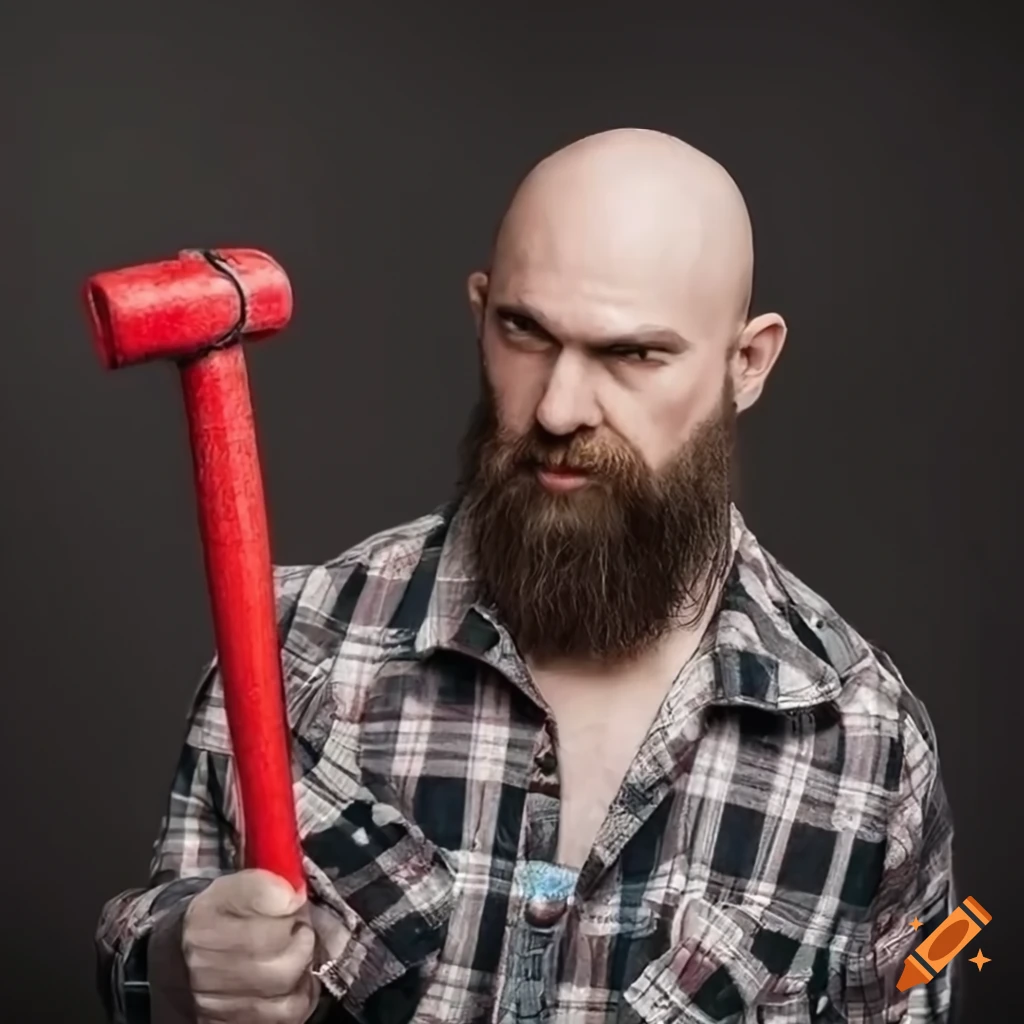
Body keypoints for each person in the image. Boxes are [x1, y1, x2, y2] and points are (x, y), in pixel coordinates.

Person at [96, 128, 957, 1024]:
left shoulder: (868, 746)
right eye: (525, 332)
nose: (557, 407)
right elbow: (159, 947)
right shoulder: (292, 650)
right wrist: (170, 962)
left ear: (747, 364)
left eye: (634, 355)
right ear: (480, 313)